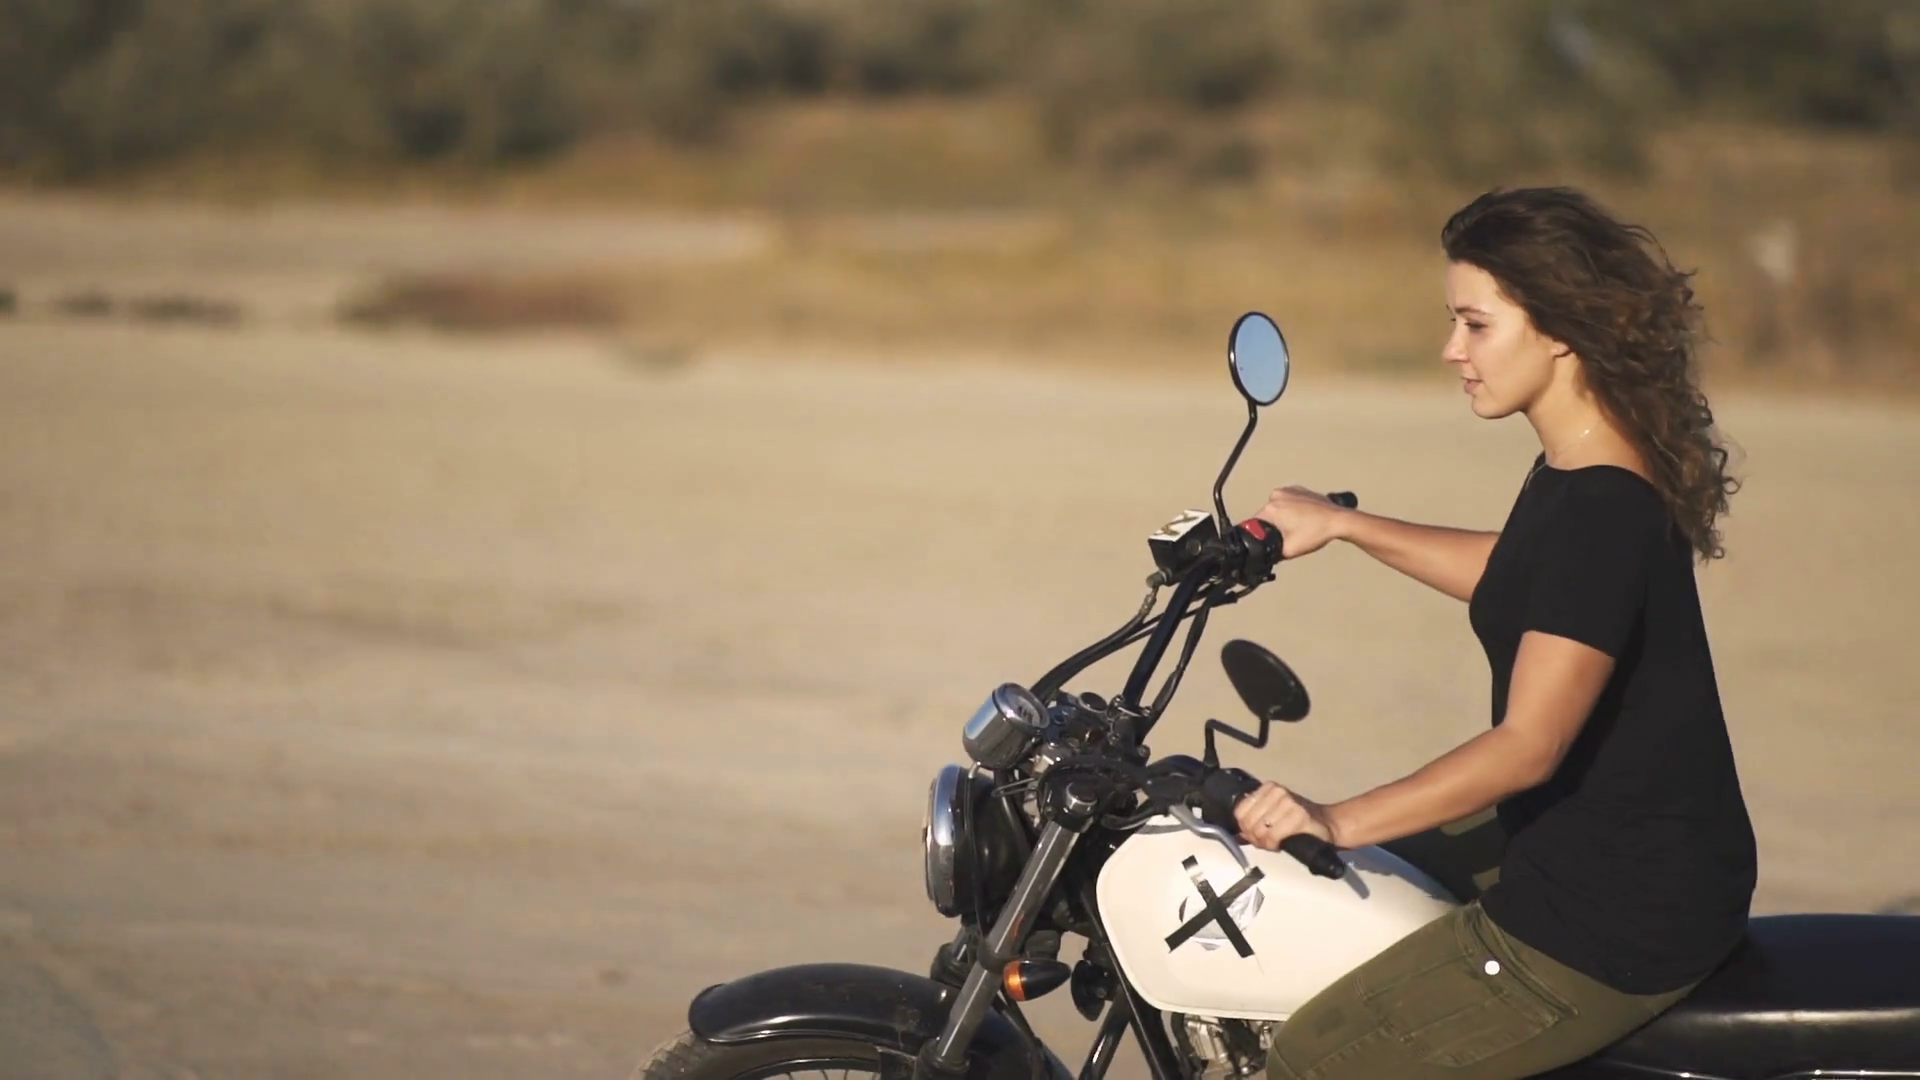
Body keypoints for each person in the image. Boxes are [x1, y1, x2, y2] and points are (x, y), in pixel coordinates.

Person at [1238, 186, 1759, 1080]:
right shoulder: (1585, 460)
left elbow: (1528, 746)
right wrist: (1346, 524)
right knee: (1357, 892)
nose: (1452, 351)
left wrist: (1336, 817)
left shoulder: (1604, 506)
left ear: (1559, 329)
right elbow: (1526, 578)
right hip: (1637, 852)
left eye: (1475, 326)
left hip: (1614, 916)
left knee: (1306, 1061)